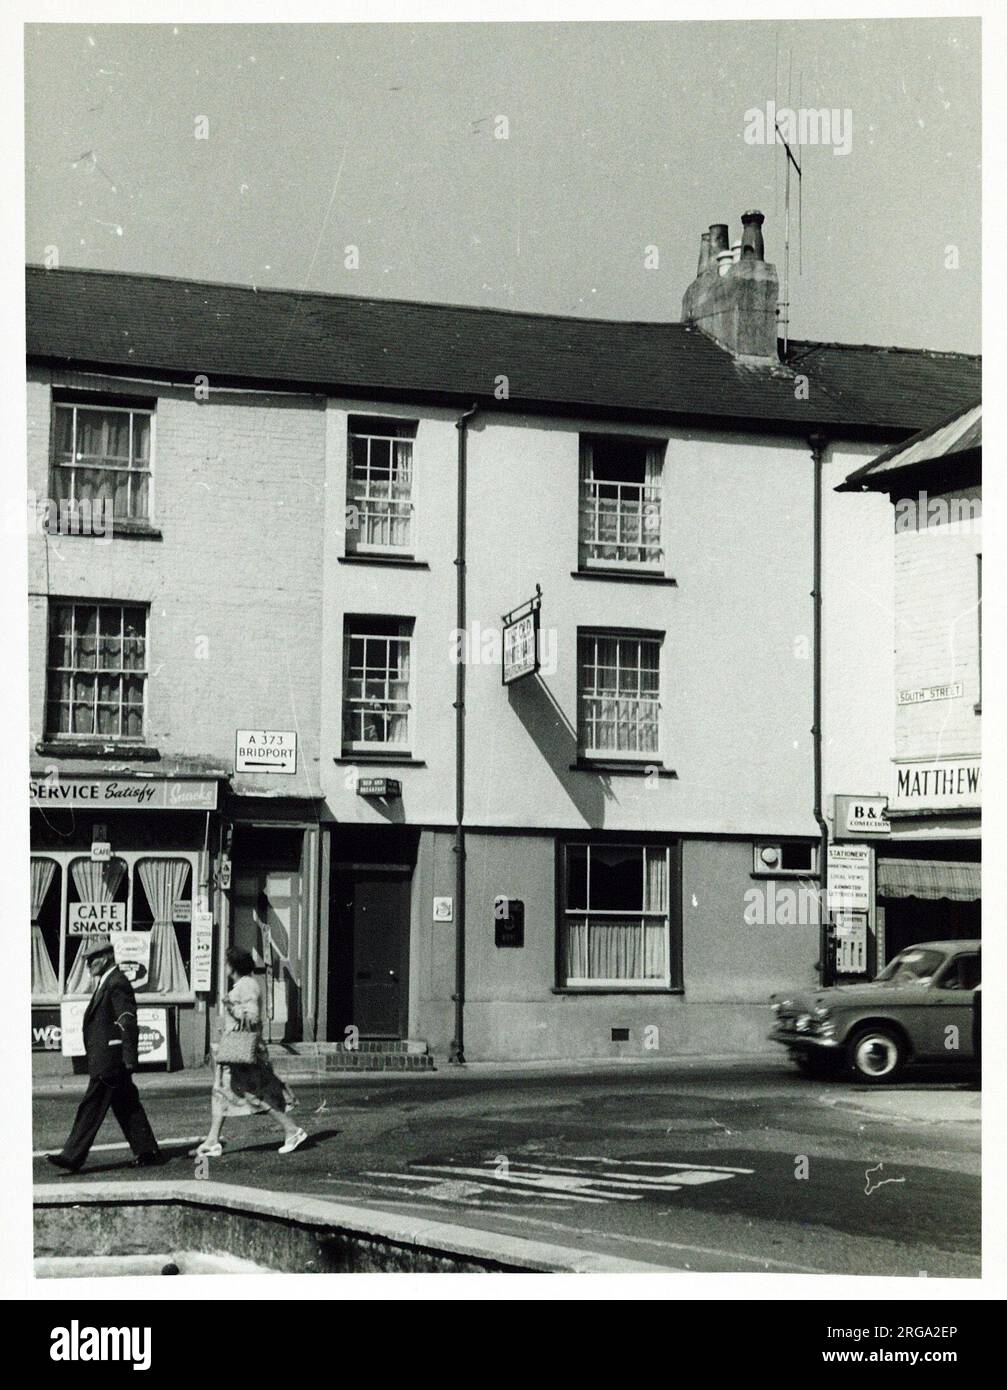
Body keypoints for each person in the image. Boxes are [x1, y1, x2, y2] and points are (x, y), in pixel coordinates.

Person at [48, 936, 162, 1173]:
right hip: (109, 1057)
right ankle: (148, 1151)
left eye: (92, 959)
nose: (89, 964)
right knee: (127, 1105)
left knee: (91, 1106)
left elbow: (127, 1021)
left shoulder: (117, 982)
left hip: (110, 1058)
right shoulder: (107, 981)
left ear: (107, 957)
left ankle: (72, 1156)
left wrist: (130, 1057)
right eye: (88, 960)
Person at [191, 947, 307, 1158]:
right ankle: (212, 1140)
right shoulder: (244, 984)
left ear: (233, 966)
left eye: (227, 963)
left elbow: (251, 1017)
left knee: (254, 1094)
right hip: (235, 1052)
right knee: (221, 1092)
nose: (225, 966)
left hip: (244, 1052)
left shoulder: (248, 986)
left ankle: (292, 1130)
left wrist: (231, 1007)